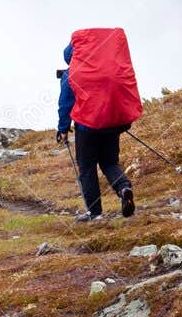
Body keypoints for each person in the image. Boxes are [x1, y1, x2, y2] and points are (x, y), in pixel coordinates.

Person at [57, 42, 135, 221]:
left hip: (86, 128)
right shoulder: (106, 71)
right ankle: (124, 189)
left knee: (87, 167)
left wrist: (62, 129)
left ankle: (95, 212)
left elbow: (65, 103)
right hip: (110, 124)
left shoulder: (72, 73)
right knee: (110, 163)